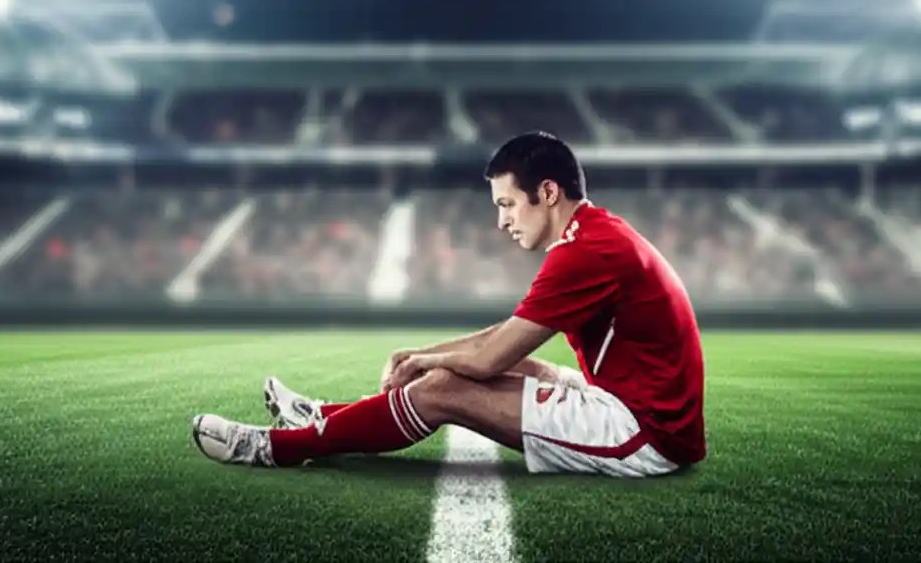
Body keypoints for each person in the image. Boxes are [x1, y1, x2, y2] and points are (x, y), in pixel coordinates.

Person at [192, 131, 706, 477]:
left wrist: (424, 362)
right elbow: (508, 337)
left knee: (443, 388)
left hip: (645, 433)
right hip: (631, 402)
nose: (502, 220)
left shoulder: (585, 251)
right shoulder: (595, 234)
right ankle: (319, 414)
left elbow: (487, 360)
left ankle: (275, 448)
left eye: (507, 204)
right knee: (502, 362)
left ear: (547, 193)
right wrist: (422, 350)